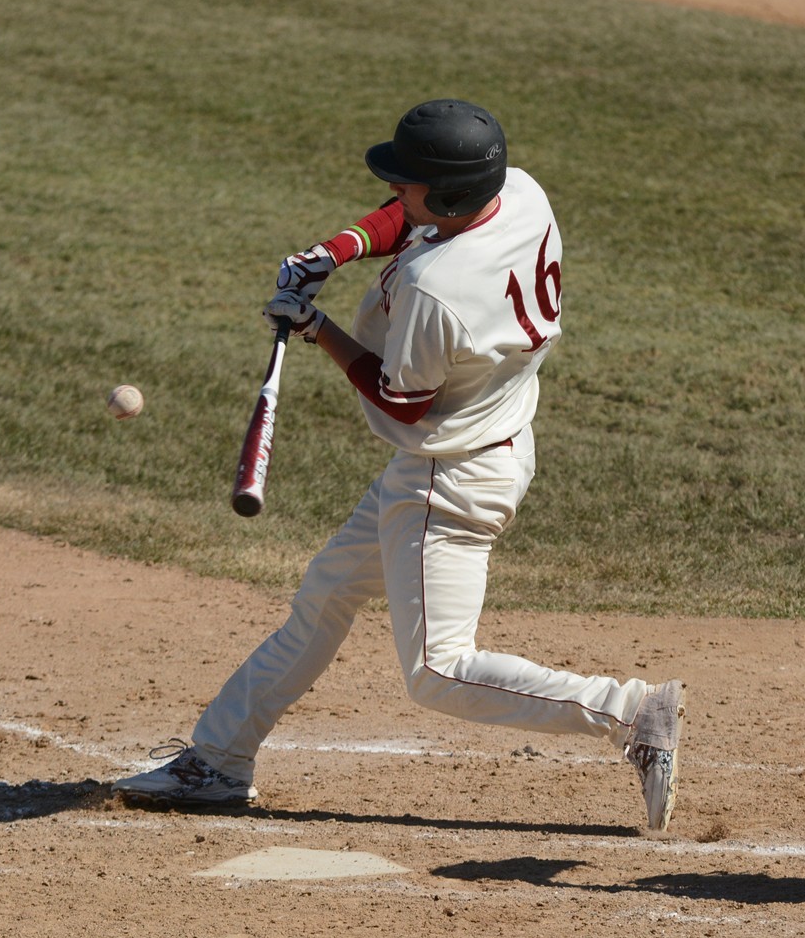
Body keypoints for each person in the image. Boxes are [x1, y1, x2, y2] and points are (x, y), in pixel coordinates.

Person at [113, 99, 684, 830]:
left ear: (448, 195)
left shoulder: (437, 290)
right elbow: (409, 216)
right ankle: (218, 761)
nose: (395, 192)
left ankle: (632, 713)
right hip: (490, 438)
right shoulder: (518, 192)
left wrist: (315, 326)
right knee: (326, 594)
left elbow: (401, 401)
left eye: (409, 183)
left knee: (438, 671)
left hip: (449, 476)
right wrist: (335, 251)